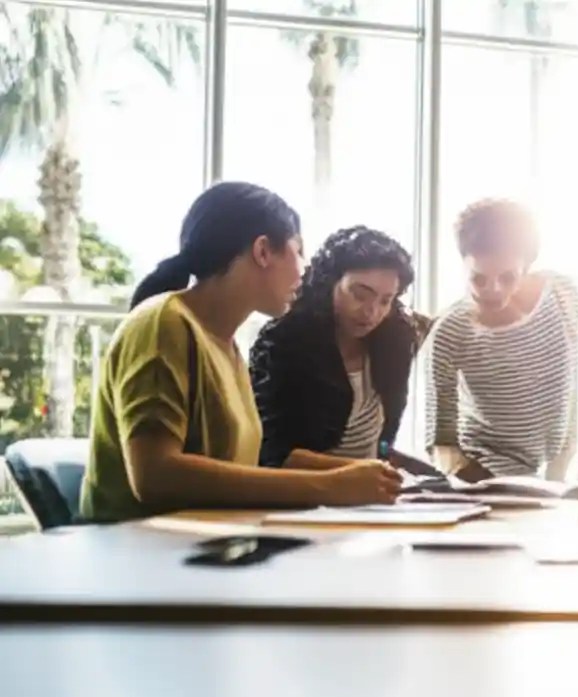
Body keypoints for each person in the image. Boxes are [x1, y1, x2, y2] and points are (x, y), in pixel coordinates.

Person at [80, 182, 400, 523]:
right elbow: (155, 476)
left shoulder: (228, 347)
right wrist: (326, 487)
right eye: (298, 250)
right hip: (140, 553)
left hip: (204, 547)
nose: (305, 268)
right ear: (263, 251)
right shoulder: (163, 324)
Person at [249, 226, 434, 473]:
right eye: (360, 294)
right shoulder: (284, 342)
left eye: (385, 300)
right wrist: (361, 473)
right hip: (301, 494)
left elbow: (382, 443)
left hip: (372, 498)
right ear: (329, 283)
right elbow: (272, 454)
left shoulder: (395, 339)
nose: (372, 312)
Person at [424, 198, 578, 481]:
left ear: (527, 266)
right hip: (484, 479)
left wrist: (558, 476)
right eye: (479, 279)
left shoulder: (562, 294)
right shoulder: (450, 331)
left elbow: (571, 388)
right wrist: (484, 487)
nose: (493, 290)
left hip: (553, 482)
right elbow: (441, 441)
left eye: (507, 277)